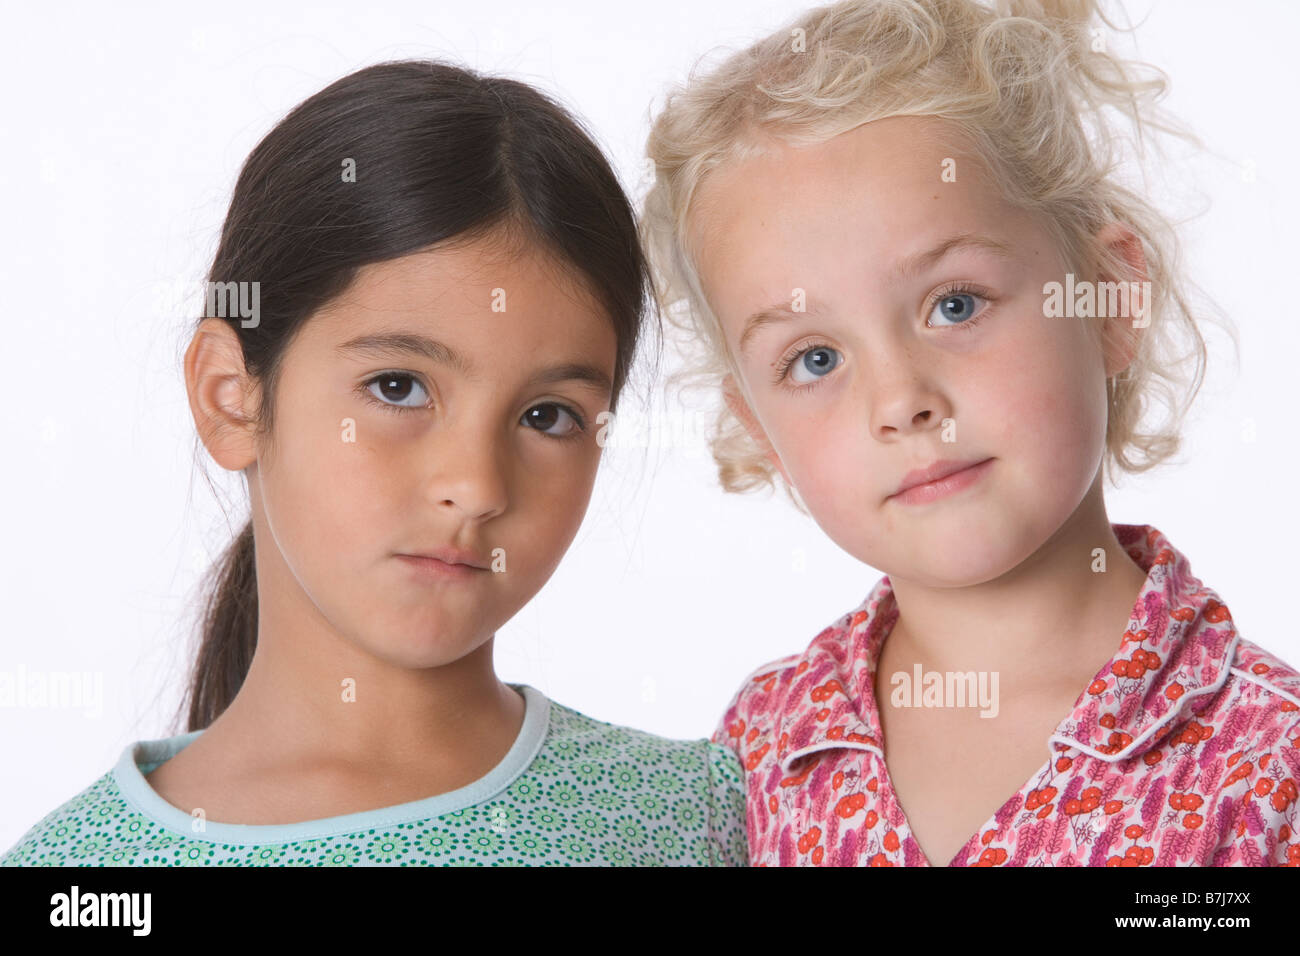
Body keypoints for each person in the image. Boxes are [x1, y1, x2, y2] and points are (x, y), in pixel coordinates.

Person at [2, 60, 746, 867]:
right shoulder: (82, 875)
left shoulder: (696, 817)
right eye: (398, 387)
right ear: (230, 398)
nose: (475, 486)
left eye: (547, 416)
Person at [640, 0, 1299, 865]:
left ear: (1109, 297)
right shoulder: (760, 748)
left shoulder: (1269, 770)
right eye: (814, 359)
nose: (901, 399)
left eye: (955, 305)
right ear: (756, 427)